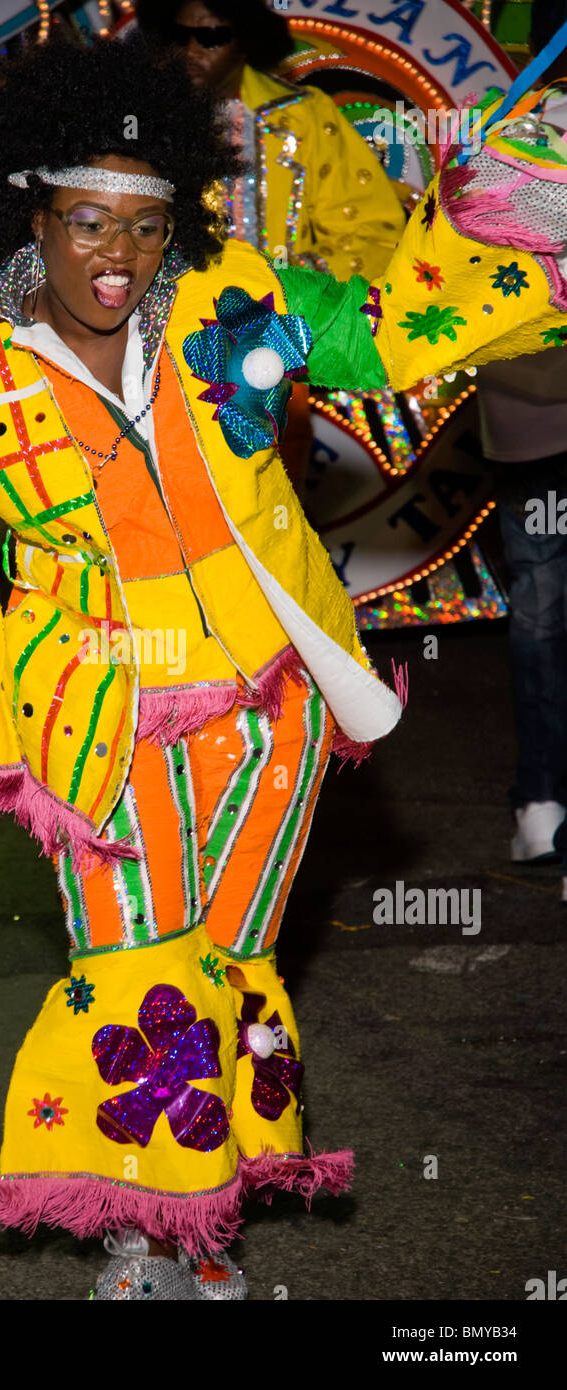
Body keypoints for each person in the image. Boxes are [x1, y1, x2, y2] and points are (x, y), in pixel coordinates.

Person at [0, 37, 567, 1298]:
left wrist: (510, 221)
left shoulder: (229, 297)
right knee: (134, 969)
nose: (116, 255)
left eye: (144, 227)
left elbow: (381, 331)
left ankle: (205, 1220)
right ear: (29, 213)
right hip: (96, 716)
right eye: (87, 220)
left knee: (232, 965)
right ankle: (143, 1234)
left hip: (273, 707)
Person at [135, 0, 406, 491]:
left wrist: (286, 292)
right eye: (179, 37)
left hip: (274, 350)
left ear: (243, 40)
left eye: (211, 37)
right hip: (153, 351)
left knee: (274, 508)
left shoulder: (304, 118)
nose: (192, 51)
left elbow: (373, 234)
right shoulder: (137, 122)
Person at [474, 0, 567, 888]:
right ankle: (542, 802)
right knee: (542, 621)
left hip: (533, 417)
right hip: (538, 419)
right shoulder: (511, 140)